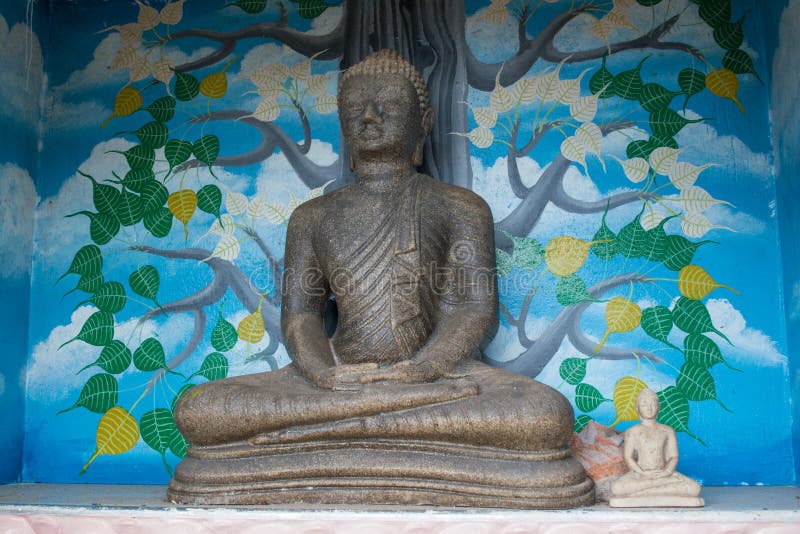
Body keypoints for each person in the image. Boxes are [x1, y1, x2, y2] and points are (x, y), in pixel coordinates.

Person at [169, 49, 592, 508]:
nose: (370, 116)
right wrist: (324, 375)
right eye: (354, 108)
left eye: (388, 105)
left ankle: (335, 435)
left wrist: (426, 368)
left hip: (438, 379)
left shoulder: (460, 207)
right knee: (201, 410)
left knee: (543, 417)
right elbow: (301, 317)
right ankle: (371, 427)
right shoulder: (312, 218)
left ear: (421, 126)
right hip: (339, 379)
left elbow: (474, 310)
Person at [609, 388, 704, 507]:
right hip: (640, 475)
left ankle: (641, 495)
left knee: (695, 488)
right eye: (644, 404)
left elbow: (673, 457)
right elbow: (628, 457)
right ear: (637, 408)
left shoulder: (667, 430)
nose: (649, 408)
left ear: (659, 407)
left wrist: (666, 472)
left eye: (653, 404)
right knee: (617, 488)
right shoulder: (632, 431)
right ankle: (661, 492)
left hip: (664, 474)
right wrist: (642, 473)